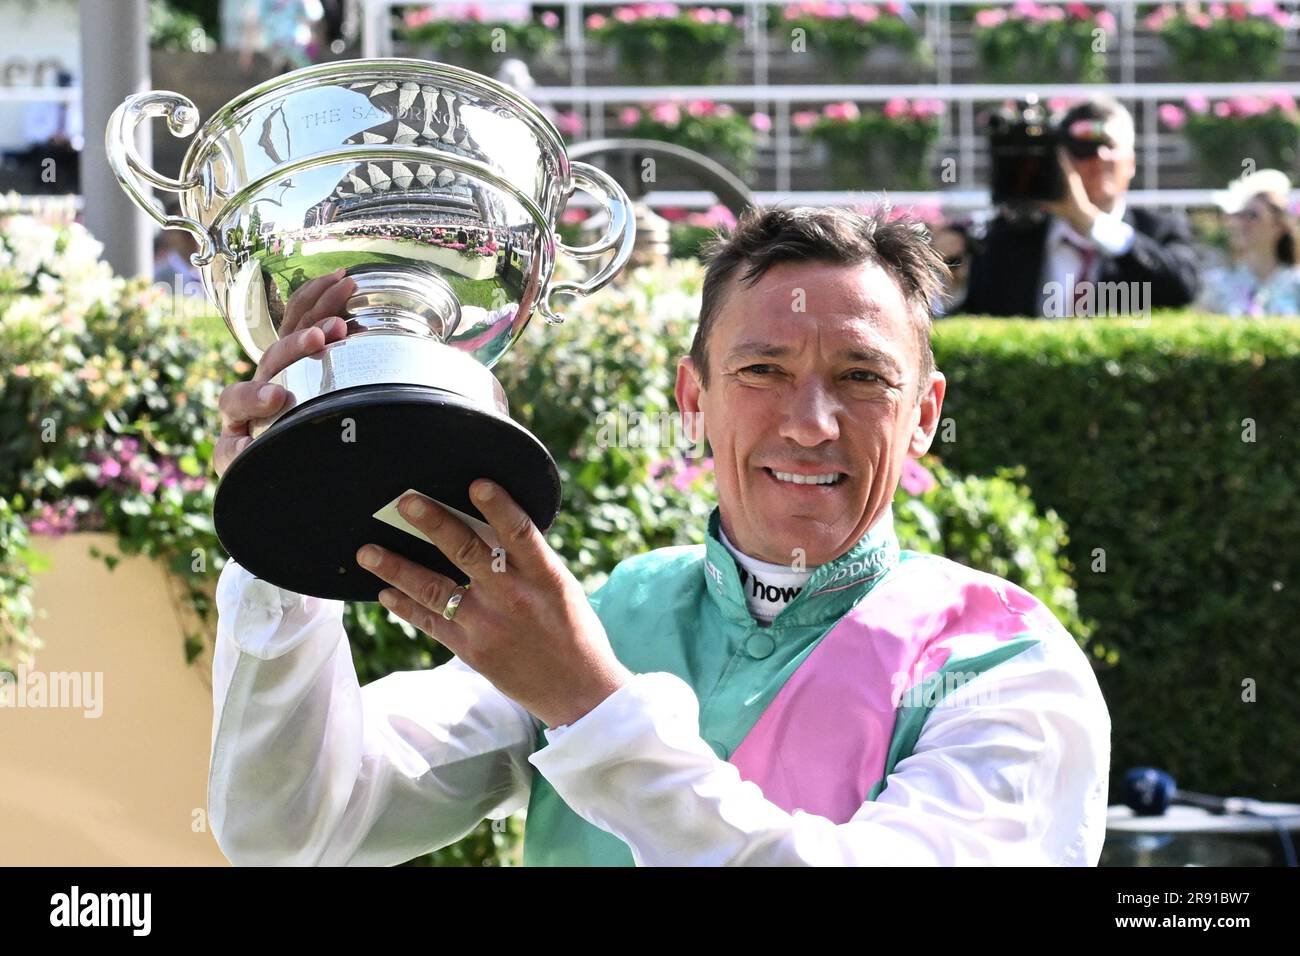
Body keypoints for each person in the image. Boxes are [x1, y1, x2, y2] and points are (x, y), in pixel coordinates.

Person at [207, 206, 1111, 866]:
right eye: (762, 370)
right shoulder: (614, 616)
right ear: (693, 400)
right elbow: (289, 831)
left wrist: (593, 708)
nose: (810, 422)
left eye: (863, 378)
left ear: (925, 412)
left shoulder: (1004, 661)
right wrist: (283, 521)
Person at [960, 96, 1200, 317]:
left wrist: (1091, 223)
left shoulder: (1160, 231)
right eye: (1084, 148)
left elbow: (1181, 289)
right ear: (1060, 159)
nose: (1100, 157)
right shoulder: (1008, 239)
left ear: (1131, 162)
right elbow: (972, 317)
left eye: (1109, 145)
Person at [1197, 168, 1300, 316]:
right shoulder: (1216, 285)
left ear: (1279, 226)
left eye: (1252, 215)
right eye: (1238, 215)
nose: (1241, 222)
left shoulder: (1295, 284)